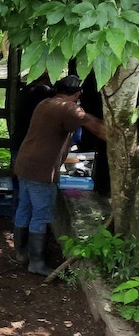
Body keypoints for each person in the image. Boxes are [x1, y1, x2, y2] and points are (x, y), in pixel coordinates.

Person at [13, 75, 106, 275]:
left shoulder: (45, 103)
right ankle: (36, 263)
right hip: (42, 169)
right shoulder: (69, 109)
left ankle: (21, 253)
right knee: (41, 213)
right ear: (77, 93)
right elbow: (100, 130)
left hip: (24, 163)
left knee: (24, 208)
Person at [9, 74, 53, 218]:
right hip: (31, 144)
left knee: (18, 182)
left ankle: (17, 219)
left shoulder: (24, 92)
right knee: (33, 187)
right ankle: (32, 222)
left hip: (18, 141)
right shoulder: (43, 92)